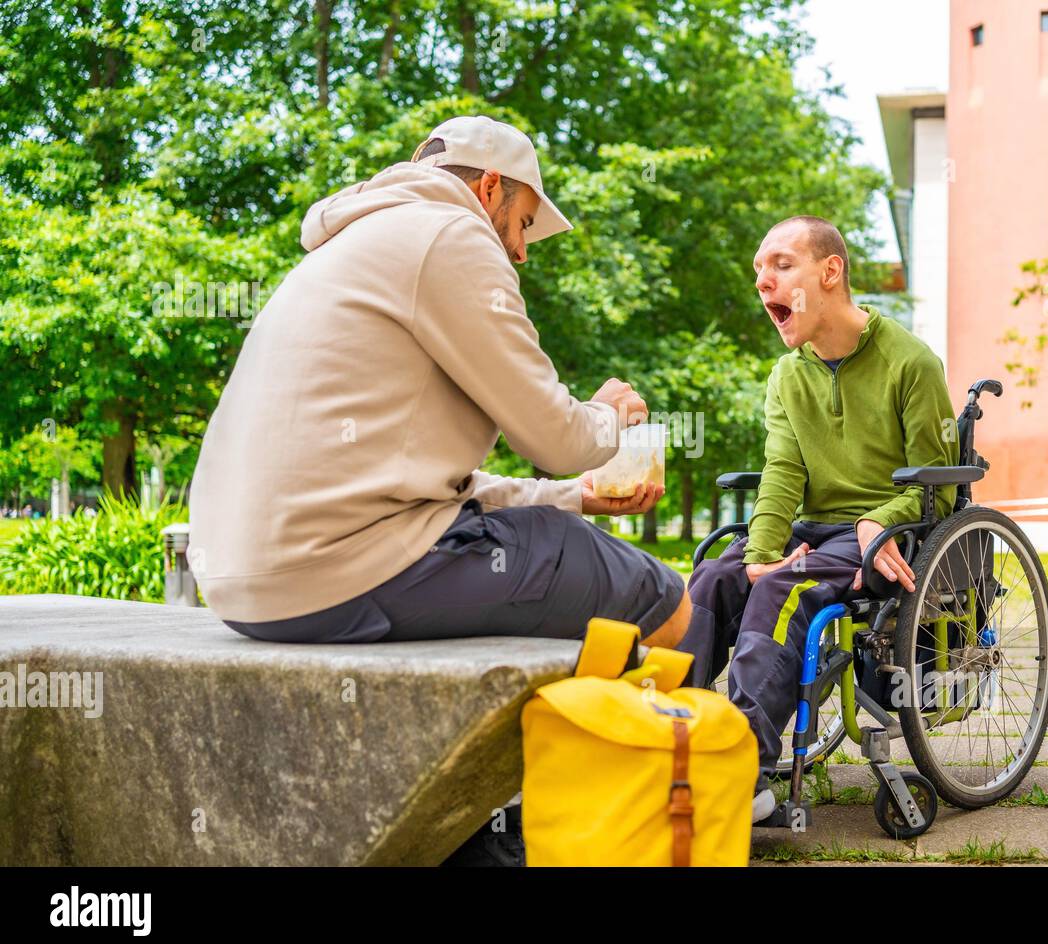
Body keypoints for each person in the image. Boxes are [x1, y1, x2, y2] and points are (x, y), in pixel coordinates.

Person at [189, 115, 690, 650]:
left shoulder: (350, 246)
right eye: (523, 223)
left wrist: (571, 496)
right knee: (662, 598)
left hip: (244, 588)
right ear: (490, 185)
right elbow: (559, 440)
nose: (521, 252)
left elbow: (424, 490)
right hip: (334, 576)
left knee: (560, 543)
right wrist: (610, 413)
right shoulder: (452, 233)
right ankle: (683, 733)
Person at [677, 215, 959, 823]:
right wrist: (757, 554)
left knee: (785, 587)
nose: (762, 282)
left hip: (889, 540)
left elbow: (938, 481)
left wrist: (878, 520)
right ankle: (671, 746)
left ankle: (741, 768)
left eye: (780, 264)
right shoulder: (787, 375)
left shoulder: (911, 362)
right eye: (758, 272)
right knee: (714, 579)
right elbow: (782, 473)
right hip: (817, 529)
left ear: (830, 272)